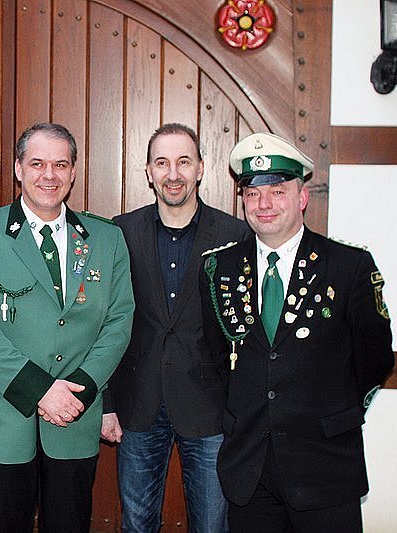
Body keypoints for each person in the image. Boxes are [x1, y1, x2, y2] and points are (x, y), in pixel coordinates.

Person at [200, 132, 394, 531]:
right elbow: (218, 360)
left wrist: (333, 412)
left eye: (277, 191)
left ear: (302, 196)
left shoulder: (348, 266)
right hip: (249, 468)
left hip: (325, 465)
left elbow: (373, 358)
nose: (264, 204)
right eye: (252, 194)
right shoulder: (218, 270)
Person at [0, 122, 134, 533]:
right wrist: (40, 391)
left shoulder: (107, 239)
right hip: (5, 413)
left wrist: (76, 393)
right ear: (18, 169)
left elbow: (119, 321)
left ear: (73, 172)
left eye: (59, 164)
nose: (48, 175)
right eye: (37, 163)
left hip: (75, 413)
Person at [104, 123, 250, 532]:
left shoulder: (235, 236)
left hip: (210, 410)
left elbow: (247, 329)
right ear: (148, 171)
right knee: (136, 524)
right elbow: (104, 323)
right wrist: (108, 404)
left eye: (183, 162)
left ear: (201, 168)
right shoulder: (120, 232)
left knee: (212, 525)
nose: (173, 173)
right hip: (138, 406)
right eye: (162, 162)